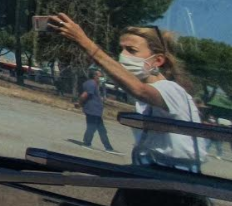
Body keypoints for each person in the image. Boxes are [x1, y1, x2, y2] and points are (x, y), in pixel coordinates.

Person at [52, 16, 201, 172]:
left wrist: (83, 40)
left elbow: (140, 90)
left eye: (131, 50)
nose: (123, 56)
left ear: (157, 61)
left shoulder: (170, 89)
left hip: (174, 176)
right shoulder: (153, 94)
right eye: (121, 49)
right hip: (150, 171)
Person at [77, 68, 115, 152]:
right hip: (92, 110)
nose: (101, 77)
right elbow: (84, 95)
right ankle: (87, 143)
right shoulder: (91, 84)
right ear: (94, 76)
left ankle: (108, 147)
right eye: (100, 76)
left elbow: (93, 96)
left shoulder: (94, 84)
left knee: (101, 129)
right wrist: (79, 104)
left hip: (96, 111)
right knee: (92, 127)